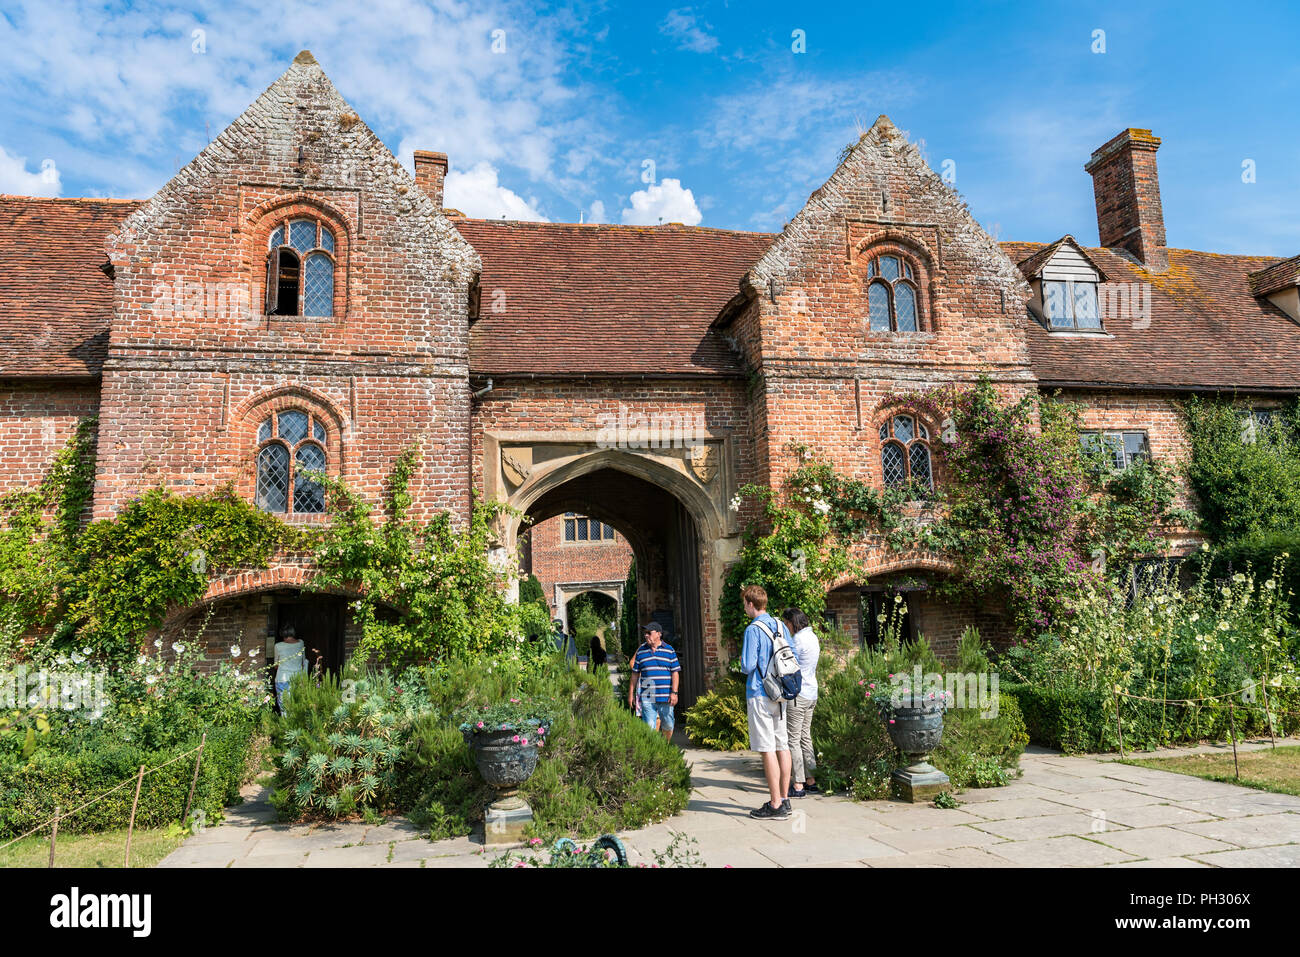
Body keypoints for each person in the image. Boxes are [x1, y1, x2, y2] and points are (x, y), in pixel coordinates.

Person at [741, 585, 792, 819]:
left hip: (760, 692)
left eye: (745, 604)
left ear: (751, 604)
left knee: (766, 748)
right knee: (783, 745)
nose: (744, 608)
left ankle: (774, 804)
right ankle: (785, 798)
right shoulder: (781, 625)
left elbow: (748, 665)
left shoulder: (753, 629)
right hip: (781, 693)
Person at [781, 607, 820, 798]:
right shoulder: (812, 637)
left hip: (798, 694)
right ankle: (812, 780)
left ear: (791, 622)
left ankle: (798, 784)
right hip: (812, 692)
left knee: (793, 740)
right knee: (806, 738)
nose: (787, 628)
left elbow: (787, 666)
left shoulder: (797, 641)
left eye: (787, 624)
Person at [627, 622, 680, 742]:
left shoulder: (669, 650)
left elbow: (675, 673)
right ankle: (654, 751)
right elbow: (635, 673)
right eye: (645, 633)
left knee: (668, 725)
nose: (646, 635)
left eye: (649, 633)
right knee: (649, 728)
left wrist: (674, 692)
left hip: (665, 695)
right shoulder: (641, 651)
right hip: (647, 694)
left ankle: (665, 745)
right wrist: (631, 694)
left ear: (659, 634)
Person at [273, 624, 308, 712]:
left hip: (282, 680)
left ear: (282, 634)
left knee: (284, 709)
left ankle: (284, 725)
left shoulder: (278, 646)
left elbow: (276, 665)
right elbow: (303, 662)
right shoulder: (301, 643)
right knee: (297, 707)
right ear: (293, 632)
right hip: (297, 679)